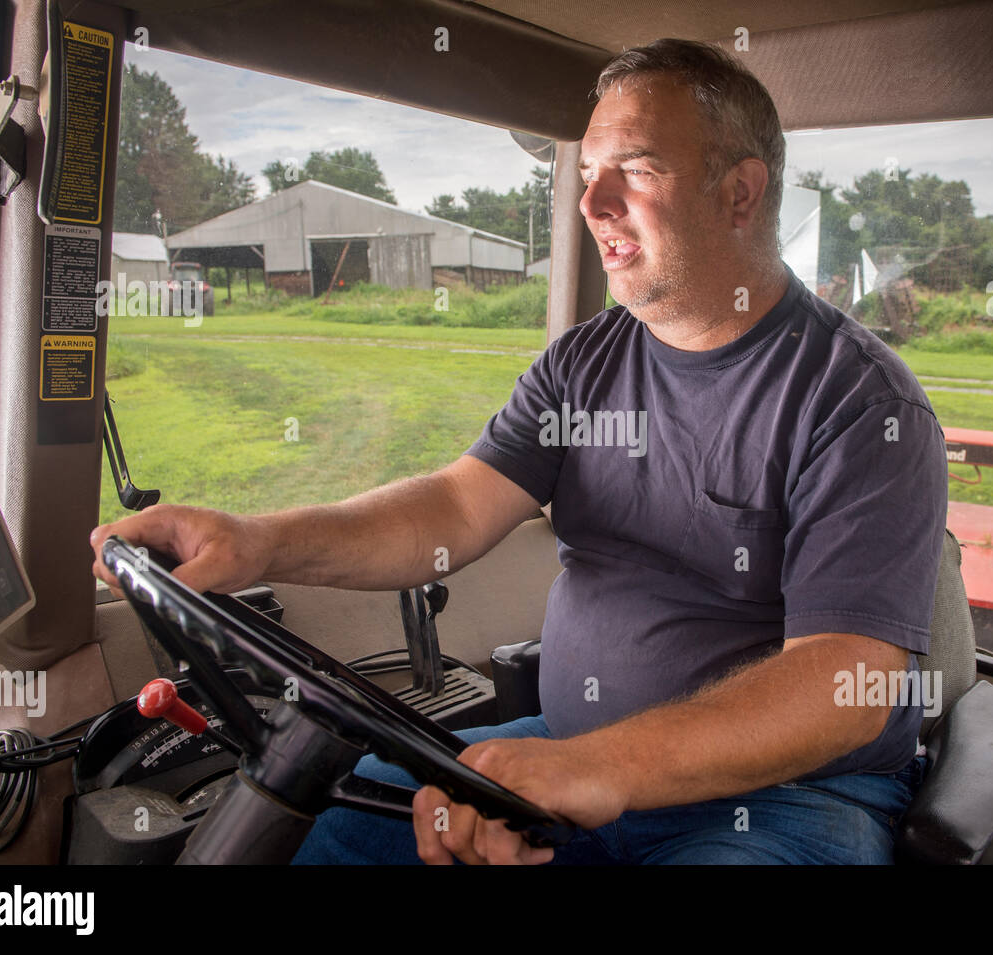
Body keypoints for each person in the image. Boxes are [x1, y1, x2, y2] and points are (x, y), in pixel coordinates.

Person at [90, 38, 948, 865]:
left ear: (741, 192)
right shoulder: (585, 362)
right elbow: (457, 506)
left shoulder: (860, 403)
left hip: (788, 800)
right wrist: (260, 542)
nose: (593, 203)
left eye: (636, 169)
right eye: (587, 176)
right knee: (346, 821)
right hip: (569, 745)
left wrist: (606, 767)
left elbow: (845, 684)